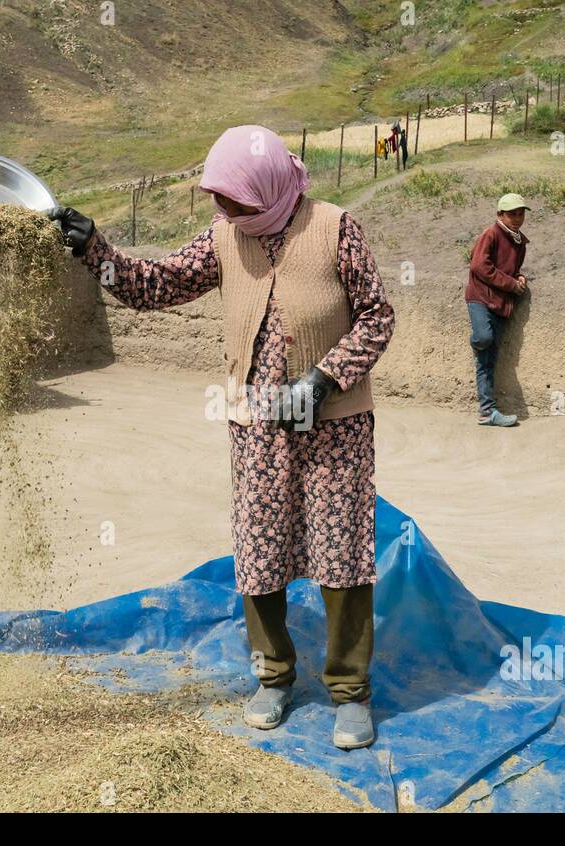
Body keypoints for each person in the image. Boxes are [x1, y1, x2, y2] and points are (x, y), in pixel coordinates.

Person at [49, 125, 395, 750]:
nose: (226, 212)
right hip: (258, 426)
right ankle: (274, 677)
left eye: (237, 200)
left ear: (267, 188)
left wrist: (324, 380)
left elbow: (377, 316)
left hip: (334, 424)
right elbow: (157, 286)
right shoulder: (225, 237)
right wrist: (95, 251)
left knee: (341, 553)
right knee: (260, 552)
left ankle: (349, 691)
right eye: (220, 200)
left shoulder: (334, 227)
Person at [464, 193, 530, 426]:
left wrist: (519, 276)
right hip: (481, 298)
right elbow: (480, 266)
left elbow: (512, 268)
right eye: (512, 214)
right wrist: (512, 284)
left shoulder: (519, 242)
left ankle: (487, 411)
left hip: (500, 304)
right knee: (483, 338)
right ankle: (477, 342)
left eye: (520, 213)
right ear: (500, 215)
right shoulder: (491, 234)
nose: (517, 218)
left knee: (488, 360)